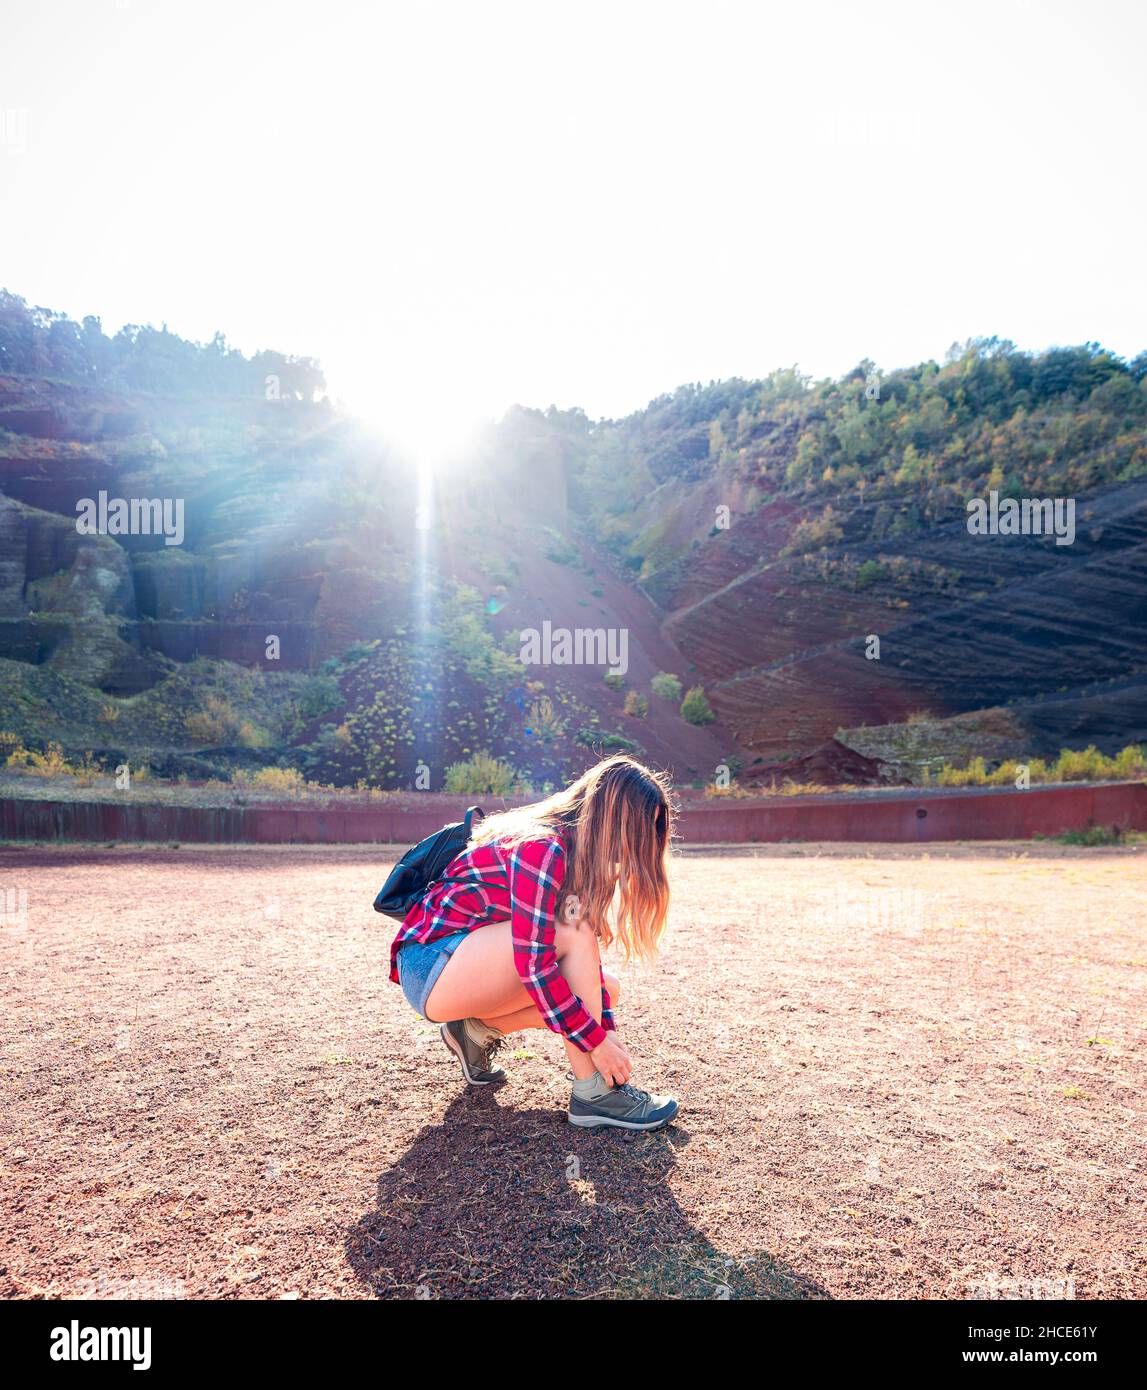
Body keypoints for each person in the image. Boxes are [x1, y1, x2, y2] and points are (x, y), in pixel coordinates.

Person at [389, 755, 679, 1130]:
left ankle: (473, 1032)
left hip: (462, 966)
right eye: (640, 830)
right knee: (573, 932)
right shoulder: (544, 847)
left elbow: (577, 970)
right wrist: (596, 1042)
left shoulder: (575, 856)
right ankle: (594, 1095)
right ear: (612, 819)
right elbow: (535, 965)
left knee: (607, 987)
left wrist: (606, 1030)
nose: (643, 846)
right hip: (430, 966)